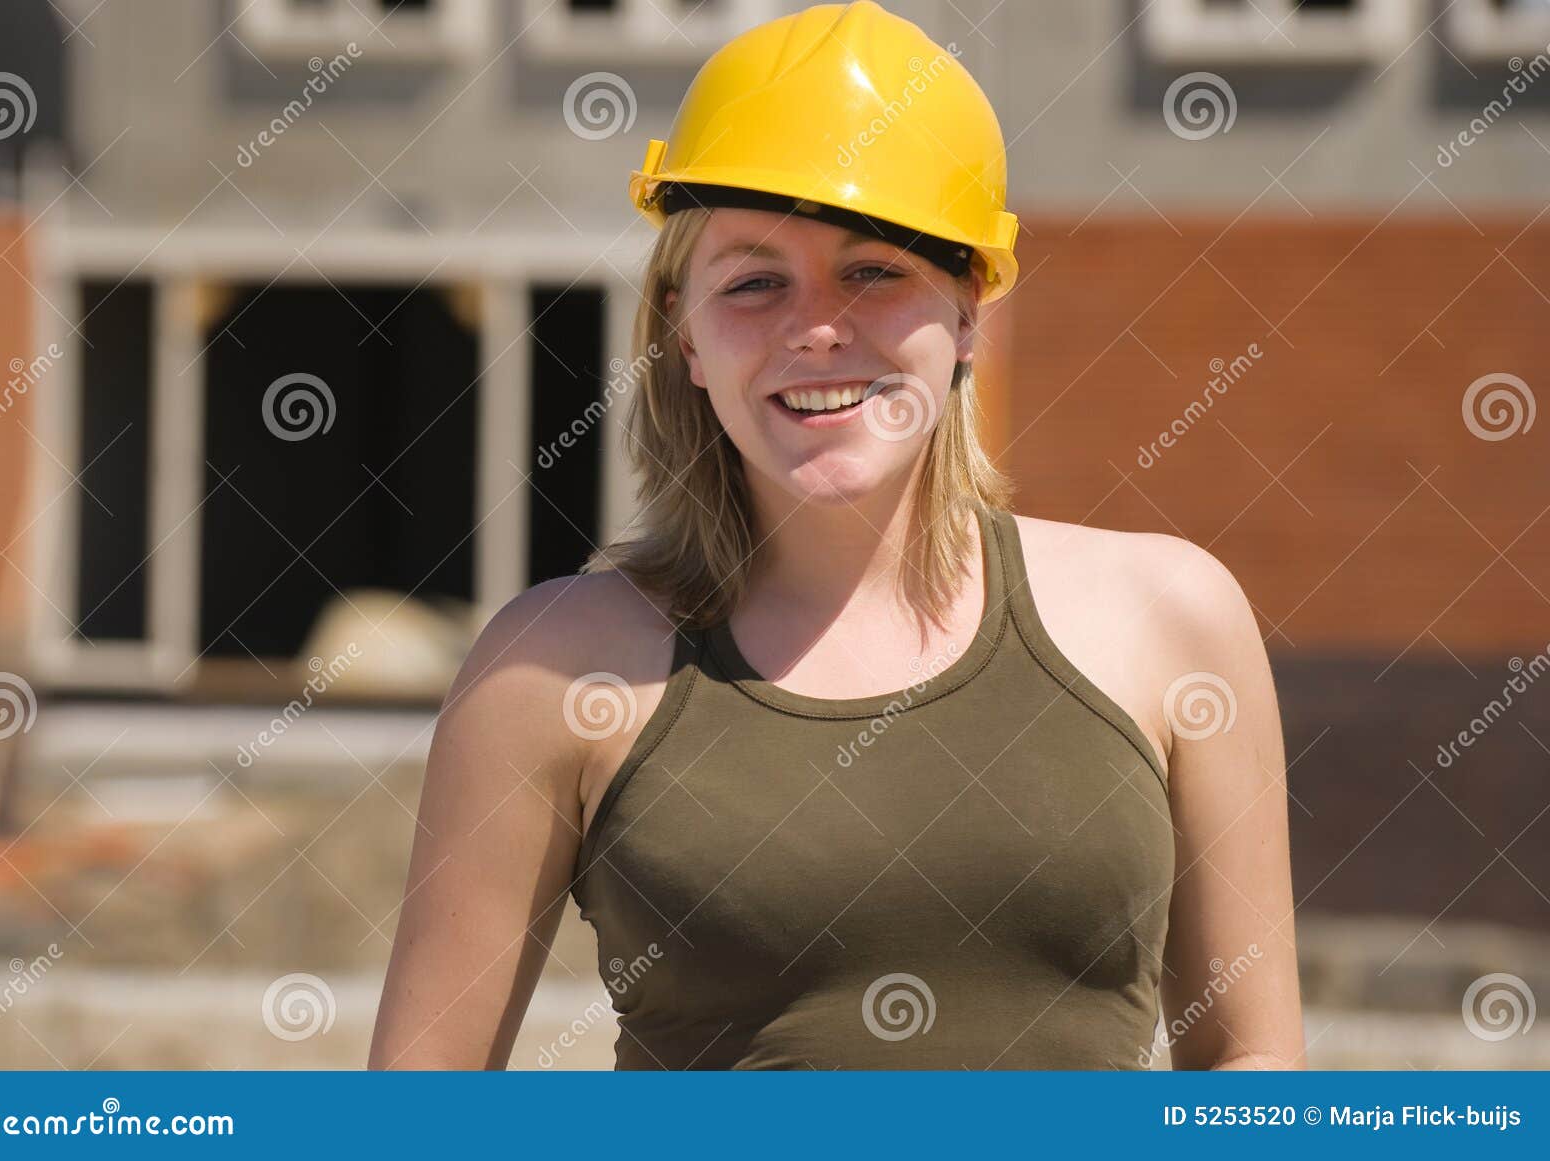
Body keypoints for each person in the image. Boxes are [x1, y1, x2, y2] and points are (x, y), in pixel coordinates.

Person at [368, 0, 1304, 1071]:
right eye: (755, 282)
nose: (816, 327)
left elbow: (1253, 1074)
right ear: (685, 337)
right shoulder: (549, 667)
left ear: (966, 313)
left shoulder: (1170, 618)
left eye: (875, 270)